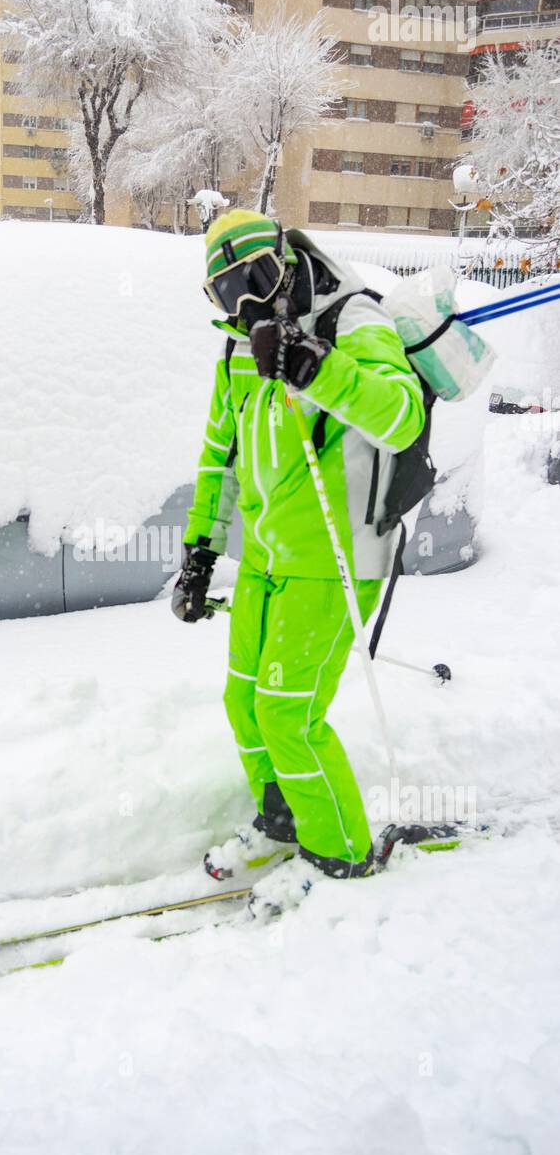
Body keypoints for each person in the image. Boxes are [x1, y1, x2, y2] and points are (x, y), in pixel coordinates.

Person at [173, 210, 425, 881]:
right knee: (245, 703)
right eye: (226, 292)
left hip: (333, 559)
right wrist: (199, 553)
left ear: (286, 260)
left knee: (289, 716)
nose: (246, 303)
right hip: (264, 558)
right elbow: (216, 459)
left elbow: (402, 417)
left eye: (255, 279)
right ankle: (284, 822)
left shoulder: (353, 319)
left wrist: (317, 369)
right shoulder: (238, 350)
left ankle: (340, 855)